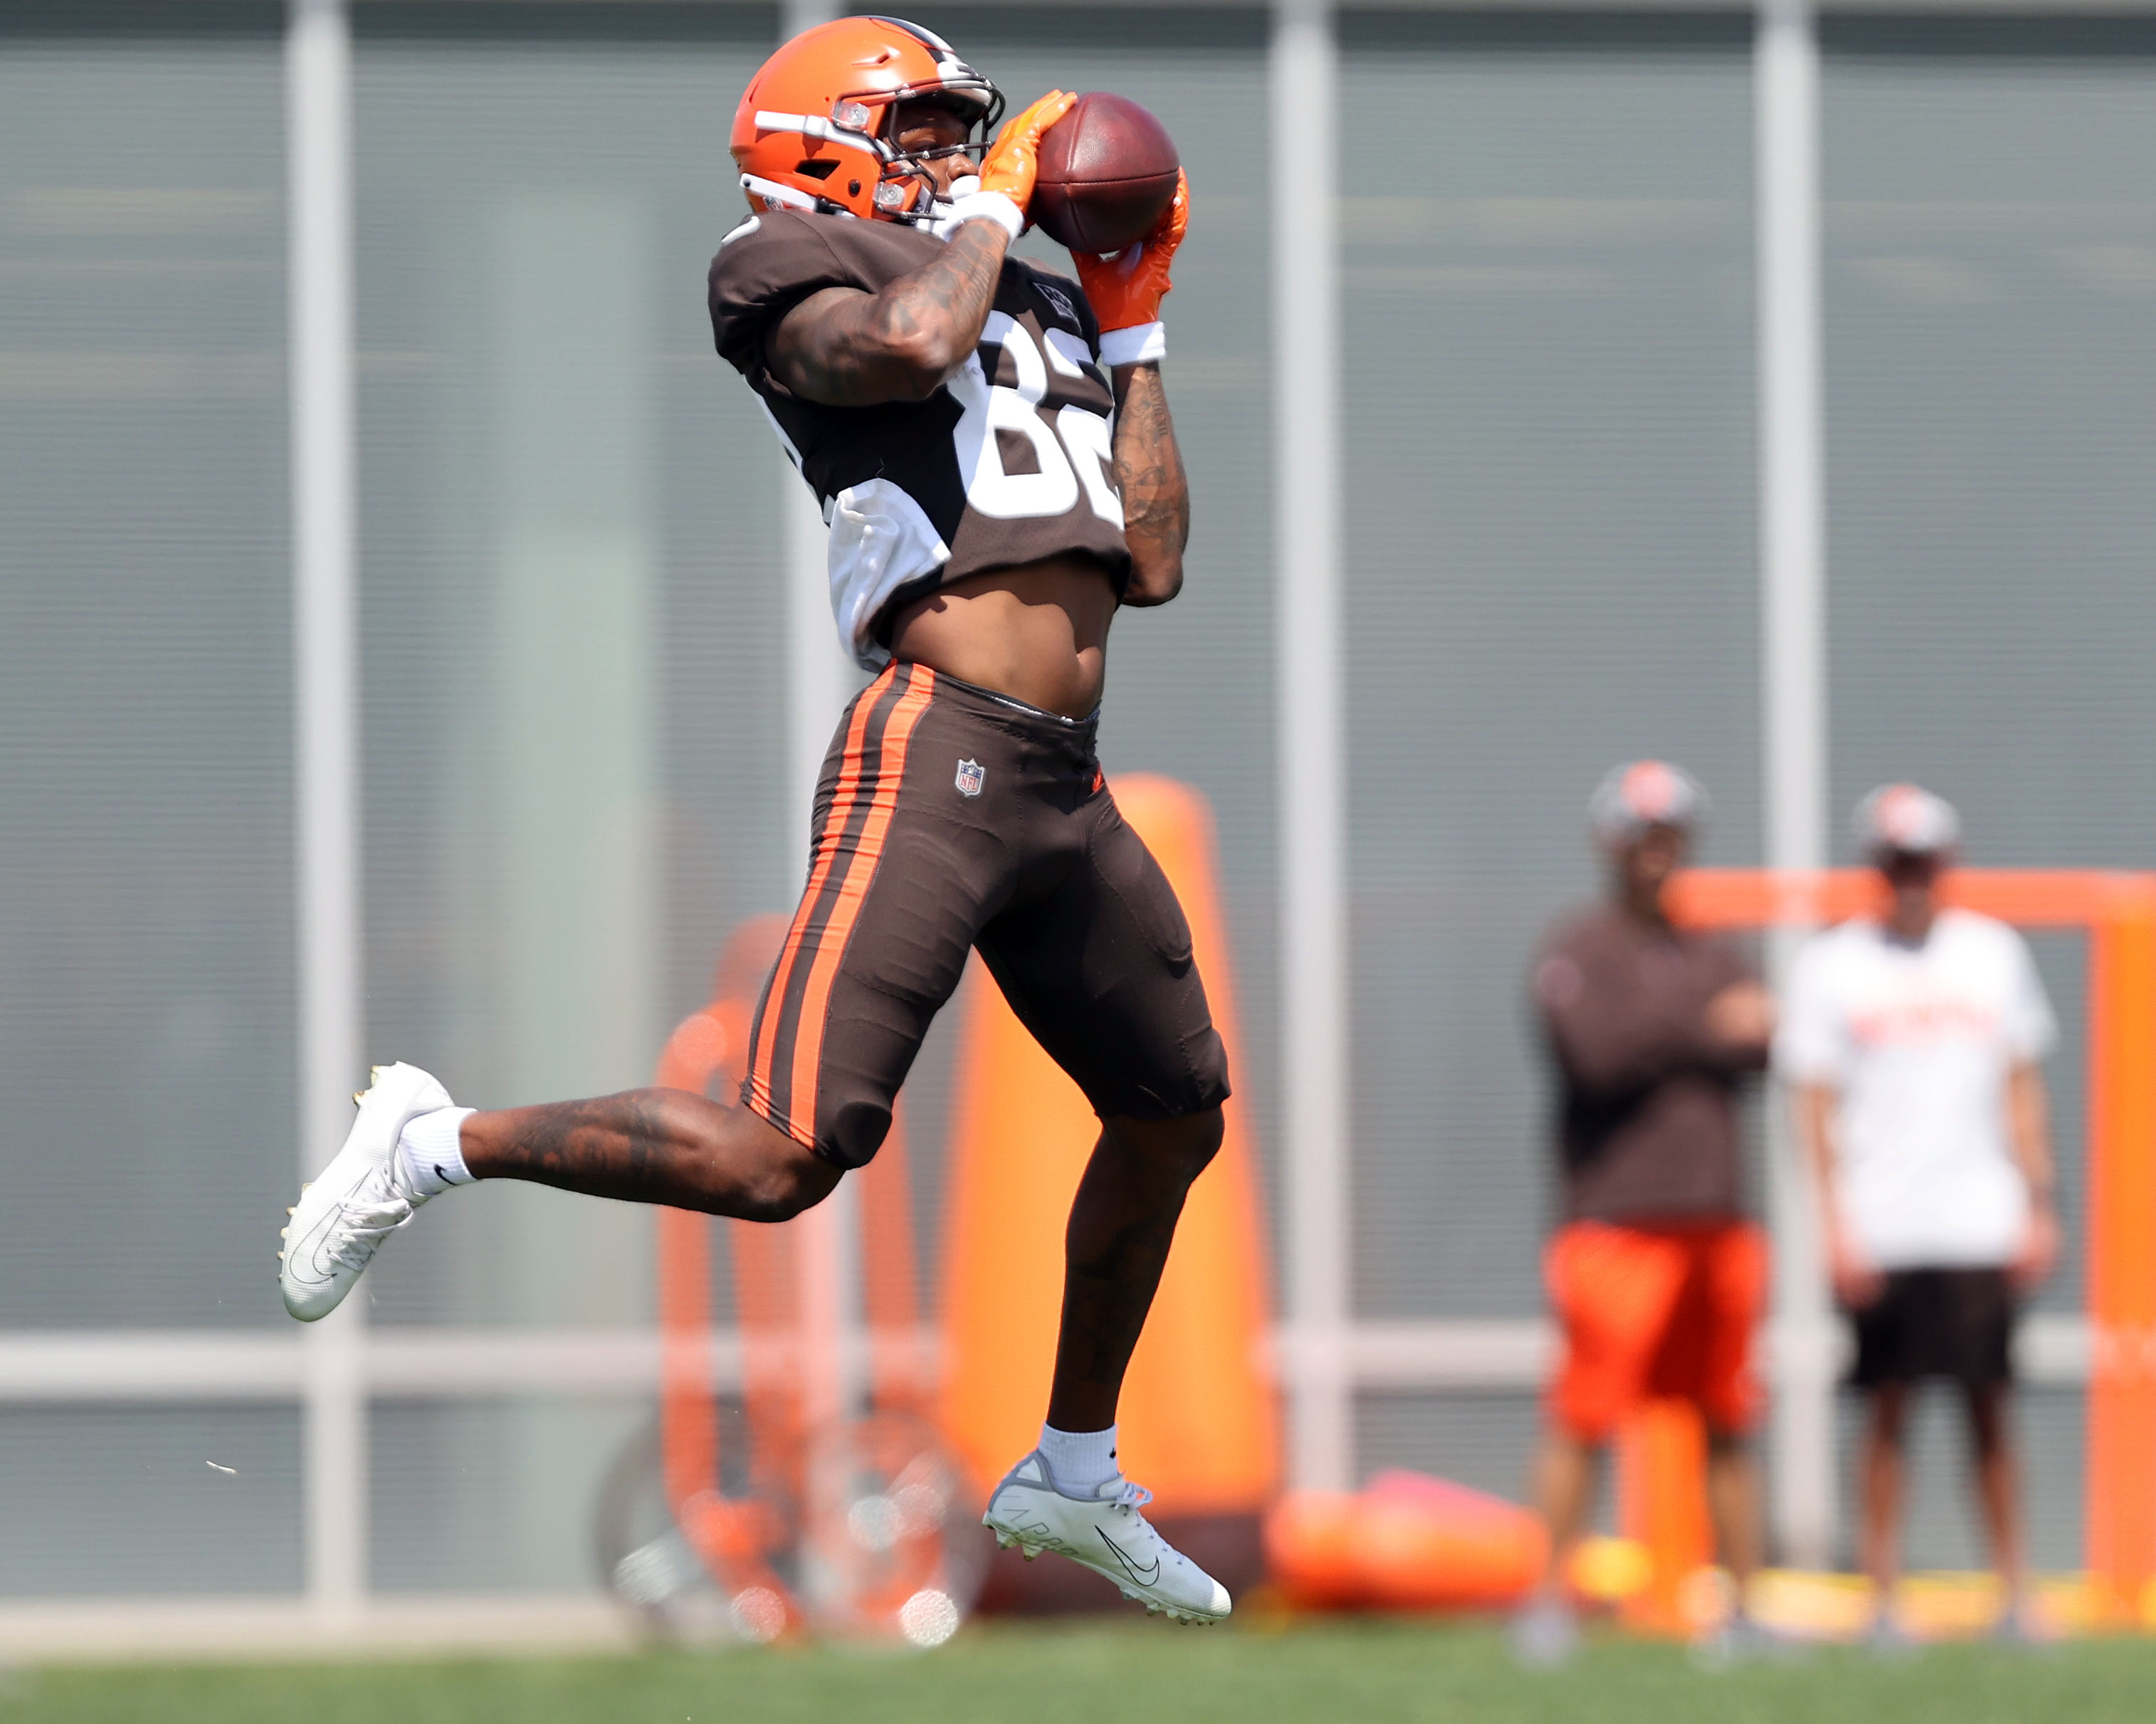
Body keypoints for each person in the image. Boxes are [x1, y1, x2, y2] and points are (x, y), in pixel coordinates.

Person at [277, 16, 1232, 1624]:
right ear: (824, 139)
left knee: (1173, 1113)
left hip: (1063, 778)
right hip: (934, 750)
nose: (951, 157)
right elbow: (908, 351)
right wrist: (997, 210)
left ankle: (1068, 1467)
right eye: (920, 130)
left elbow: (1151, 561)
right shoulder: (776, 267)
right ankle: (429, 1143)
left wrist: (1131, 336)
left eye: (961, 133)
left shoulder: (1026, 288)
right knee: (785, 1156)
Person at [1777, 784, 2058, 1646]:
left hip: (1978, 1216)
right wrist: (1832, 1224)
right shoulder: (1831, 965)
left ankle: (2015, 1594)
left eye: (1923, 861)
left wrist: (2038, 1202)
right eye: (1895, 861)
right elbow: (1812, 1107)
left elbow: (2019, 1087)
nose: (1909, 878)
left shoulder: (1991, 954)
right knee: (1885, 1412)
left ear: (1947, 862)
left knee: (1989, 1410)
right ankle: (1881, 1600)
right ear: (1874, 866)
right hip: (1883, 1222)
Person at [1513, 761, 1777, 1663]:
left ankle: (1742, 1610)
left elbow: (1766, 1043)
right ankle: (1547, 1602)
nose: (1657, 854)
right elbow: (1597, 1054)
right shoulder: (1577, 948)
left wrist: (1701, 1025)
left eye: (1671, 837)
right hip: (1615, 1222)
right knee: (1584, 1414)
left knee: (1729, 1415)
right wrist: (1705, 1026)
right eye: (1642, 836)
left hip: (1716, 1218)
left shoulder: (1715, 949)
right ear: (1611, 844)